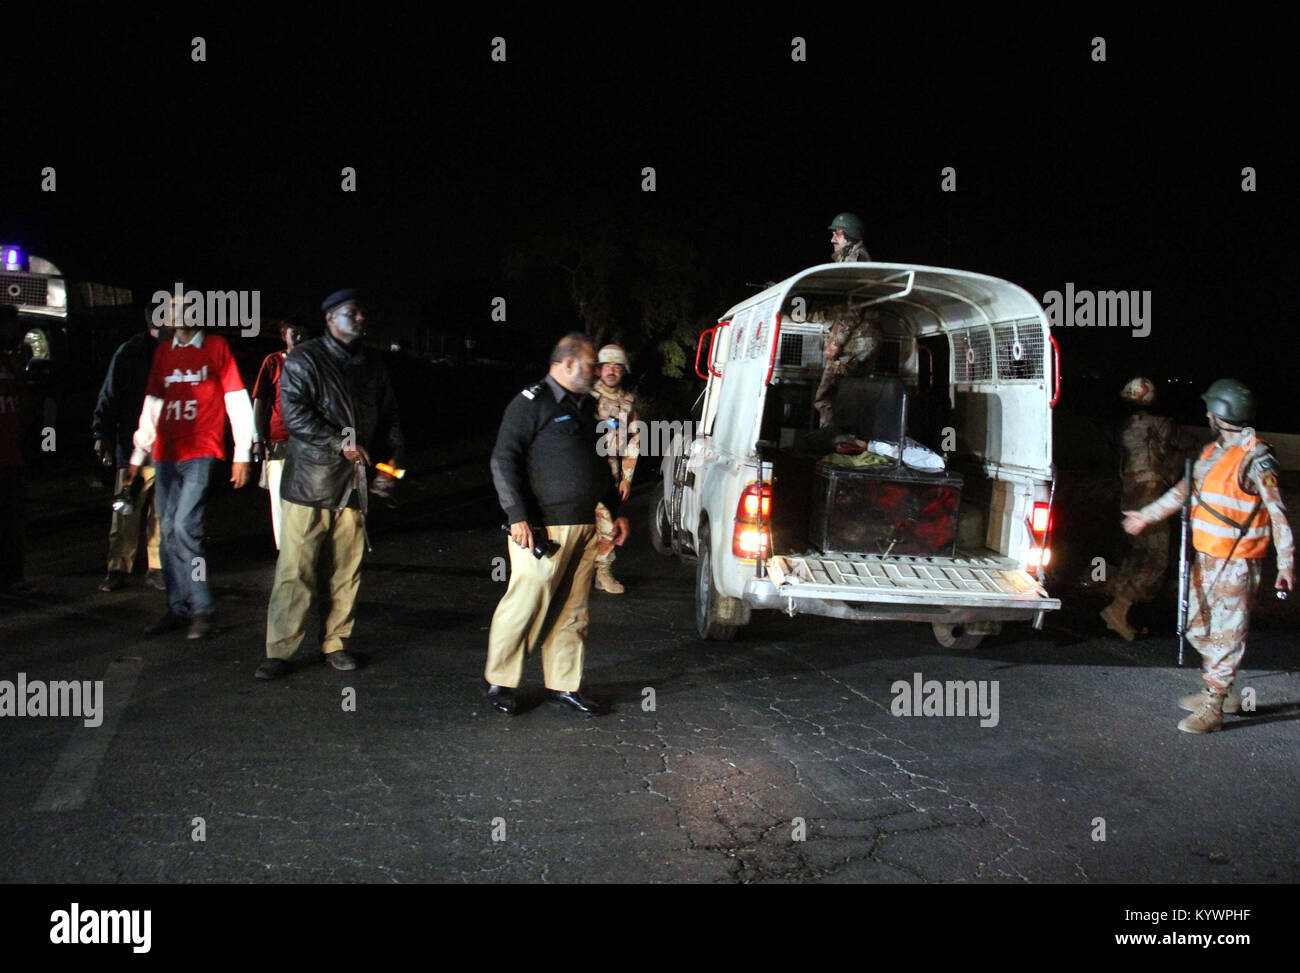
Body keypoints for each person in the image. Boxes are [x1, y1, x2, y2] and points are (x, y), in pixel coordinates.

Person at [1122, 378, 1294, 734]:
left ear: (1221, 413)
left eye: (1210, 409)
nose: (1206, 414)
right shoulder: (1213, 452)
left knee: (1227, 635)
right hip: (1208, 558)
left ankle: (1214, 706)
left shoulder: (1257, 457)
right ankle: (1223, 690)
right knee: (1196, 628)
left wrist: (1286, 563)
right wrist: (1145, 516)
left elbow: (1278, 512)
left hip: (1238, 562)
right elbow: (1183, 492)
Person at [256, 290, 403, 679]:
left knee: (346, 571)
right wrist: (340, 442)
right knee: (296, 570)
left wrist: (388, 473)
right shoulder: (306, 359)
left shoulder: (372, 365)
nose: (359, 318)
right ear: (329, 319)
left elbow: (390, 422)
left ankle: (336, 642)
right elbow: (294, 414)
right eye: (350, 313)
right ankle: (281, 650)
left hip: (353, 486)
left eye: (361, 312)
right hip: (310, 482)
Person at [484, 332, 629, 715]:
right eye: (590, 364)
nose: (596, 371)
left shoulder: (585, 407)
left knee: (573, 609)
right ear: (566, 364)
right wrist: (517, 516)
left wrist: (615, 510)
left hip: (584, 525)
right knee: (526, 603)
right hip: (543, 527)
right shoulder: (532, 402)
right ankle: (500, 683)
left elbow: (598, 465)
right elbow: (503, 459)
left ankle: (564, 684)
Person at [126, 296, 255, 639]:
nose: (176, 314)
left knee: (185, 527)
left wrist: (243, 451)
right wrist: (137, 456)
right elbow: (152, 405)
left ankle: (203, 607)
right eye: (172, 309)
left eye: (184, 308)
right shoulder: (164, 353)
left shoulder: (215, 347)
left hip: (201, 450)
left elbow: (236, 399)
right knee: (167, 531)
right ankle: (177, 606)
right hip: (166, 452)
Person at [1100, 377, 1181, 640]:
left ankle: (1119, 611)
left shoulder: (1125, 426)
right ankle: (1118, 609)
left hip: (1133, 494)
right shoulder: (1155, 425)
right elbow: (1178, 443)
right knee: (1156, 559)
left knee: (1137, 555)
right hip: (1148, 495)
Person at [93, 311, 164, 592]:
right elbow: (110, 395)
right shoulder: (131, 352)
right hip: (135, 445)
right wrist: (102, 434)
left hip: (170, 448)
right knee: (126, 510)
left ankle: (157, 567)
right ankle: (118, 567)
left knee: (162, 513)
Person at [814, 212, 881, 428]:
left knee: (825, 397)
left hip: (857, 341)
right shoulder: (851, 259)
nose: (833, 238)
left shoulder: (858, 260)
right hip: (858, 339)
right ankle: (846, 441)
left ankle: (830, 441)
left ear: (850, 236)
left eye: (838, 233)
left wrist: (835, 344)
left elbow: (855, 308)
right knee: (846, 396)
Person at [252, 317, 307, 549]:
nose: (298, 337)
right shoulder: (273, 362)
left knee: (307, 495)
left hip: (307, 440)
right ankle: (285, 548)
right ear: (284, 335)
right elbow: (260, 402)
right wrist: (257, 438)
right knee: (280, 497)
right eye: (293, 332)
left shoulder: (312, 363)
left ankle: (304, 545)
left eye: (302, 332)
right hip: (279, 440)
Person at [591, 343, 640, 594]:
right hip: (583, 469)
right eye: (607, 365)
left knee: (607, 521)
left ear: (623, 370)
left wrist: (627, 478)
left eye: (617, 366)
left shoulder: (628, 403)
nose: (611, 370)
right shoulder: (584, 397)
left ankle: (603, 572)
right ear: (598, 370)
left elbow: (634, 440)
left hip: (610, 471)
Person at [0, 305, 28, 594]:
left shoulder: (9, 364)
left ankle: (13, 577)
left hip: (11, 458)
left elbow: (21, 408)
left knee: (12, 521)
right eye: (10, 325)